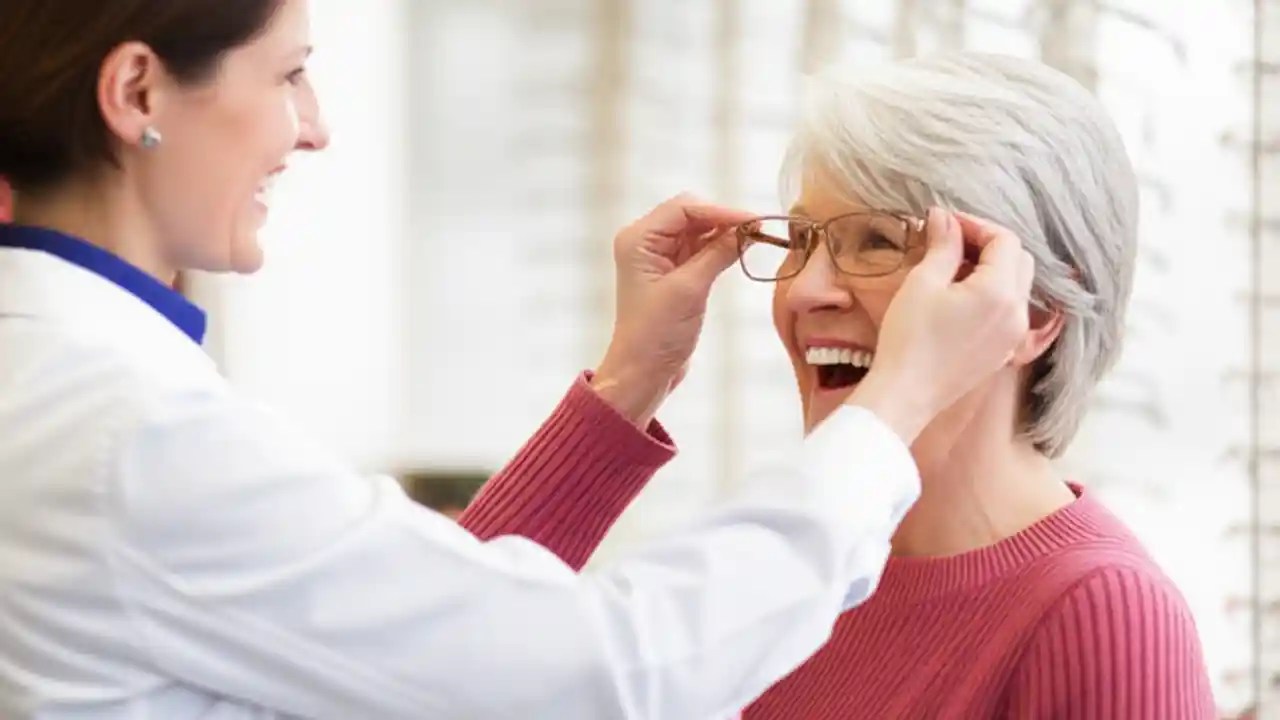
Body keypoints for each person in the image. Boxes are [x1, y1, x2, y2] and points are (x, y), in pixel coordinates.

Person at [0, 2, 1038, 718]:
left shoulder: (69, 386)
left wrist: (627, 386)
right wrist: (891, 409)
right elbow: (604, 677)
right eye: (289, 74)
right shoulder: (130, 435)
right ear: (137, 90)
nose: (313, 129)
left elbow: (431, 653)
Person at [473, 54, 1218, 718]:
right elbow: (452, 659)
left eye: (880, 243)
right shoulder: (789, 571)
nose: (804, 292)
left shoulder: (1101, 610)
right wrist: (631, 378)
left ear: (1035, 311)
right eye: (801, 241)